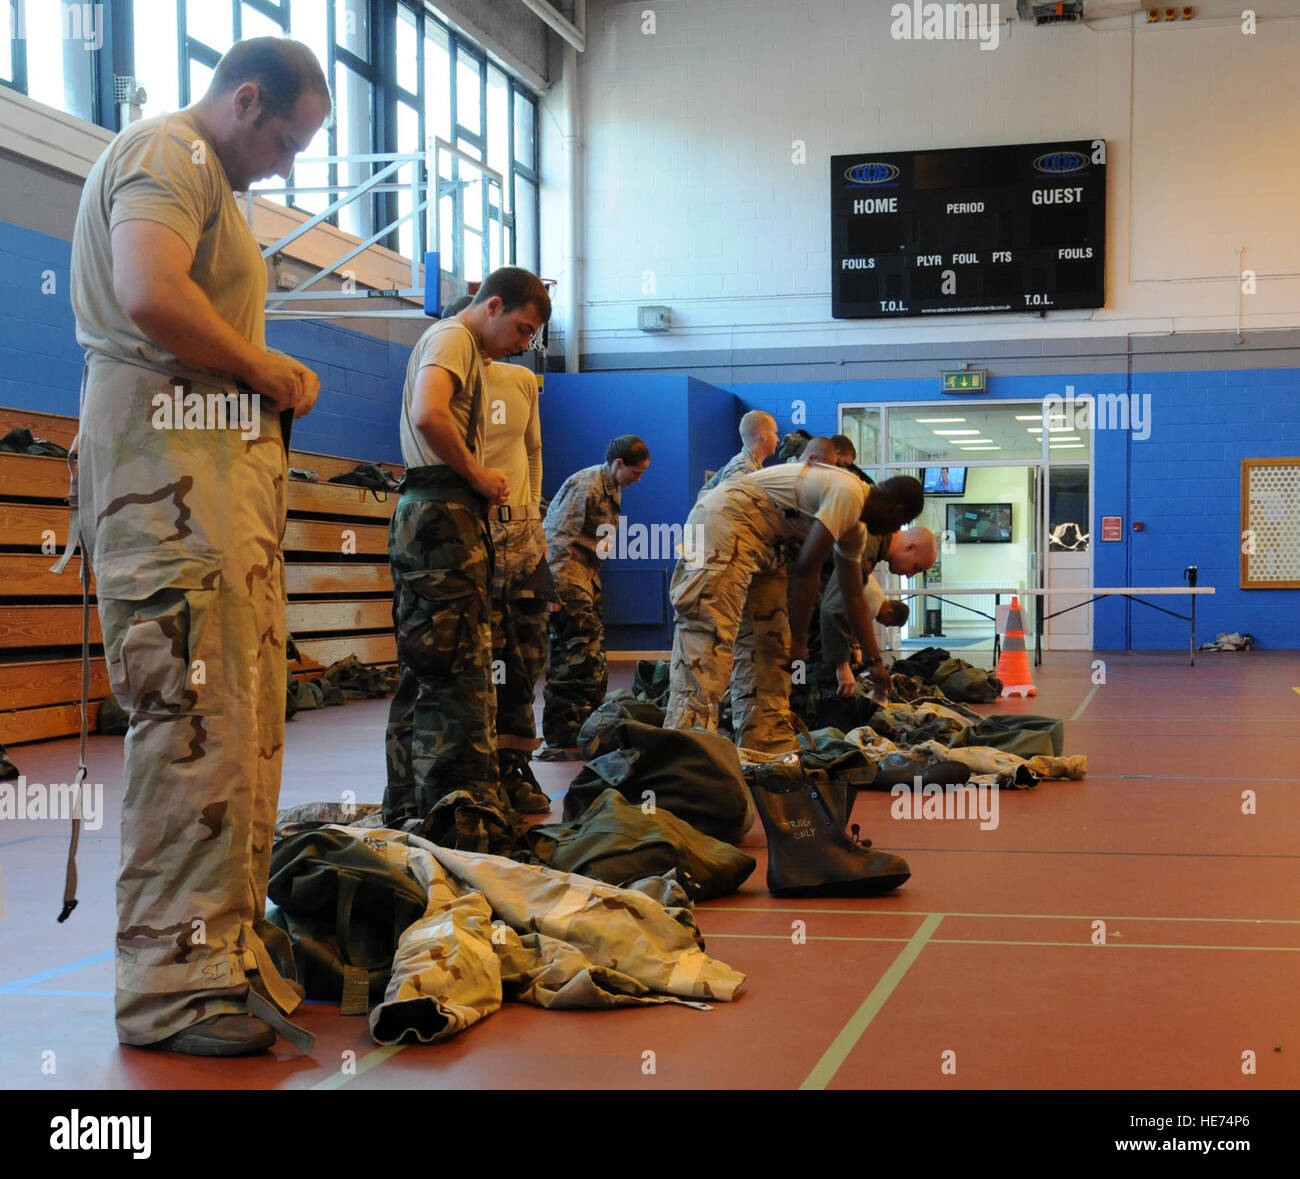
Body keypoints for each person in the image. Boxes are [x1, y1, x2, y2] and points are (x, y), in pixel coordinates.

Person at [69, 37, 331, 1056]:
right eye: (290, 140)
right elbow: (150, 291)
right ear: (247, 98)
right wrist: (264, 366)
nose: (289, 164)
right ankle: (171, 987)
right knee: (190, 727)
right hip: (165, 482)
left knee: (240, 724)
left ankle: (219, 949)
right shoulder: (170, 155)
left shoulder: (207, 171)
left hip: (208, 488)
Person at [384, 268, 551, 828]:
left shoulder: (462, 347)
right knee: (457, 672)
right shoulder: (454, 337)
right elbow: (428, 412)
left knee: (431, 665)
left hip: (440, 513)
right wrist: (478, 474)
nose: (524, 344)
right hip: (442, 512)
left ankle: (414, 808)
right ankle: (457, 817)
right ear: (494, 305)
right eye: (523, 328)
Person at [665, 460, 925, 754]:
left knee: (771, 646)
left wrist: (875, 663)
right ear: (898, 511)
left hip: (767, 540)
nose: (894, 531)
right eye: (899, 525)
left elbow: (853, 597)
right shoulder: (849, 492)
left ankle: (762, 748)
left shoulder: (856, 529)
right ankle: (684, 754)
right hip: (726, 519)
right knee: (708, 640)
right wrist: (800, 639)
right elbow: (807, 568)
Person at [434, 294, 553, 814]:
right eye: (518, 330)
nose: (519, 343)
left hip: (522, 529)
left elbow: (532, 450)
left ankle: (516, 764)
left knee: (525, 655)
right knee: (479, 656)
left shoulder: (522, 381)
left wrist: (533, 515)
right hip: (470, 526)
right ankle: (478, 773)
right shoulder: (447, 372)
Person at [538, 436, 651, 758]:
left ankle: (586, 729)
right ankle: (563, 737)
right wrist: (553, 590)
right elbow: (557, 537)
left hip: (588, 578)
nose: (638, 479)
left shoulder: (612, 487)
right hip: (568, 580)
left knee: (590, 659)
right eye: (636, 472)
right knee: (571, 660)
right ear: (619, 465)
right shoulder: (585, 484)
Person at [699, 410, 779, 494]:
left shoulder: (747, 466)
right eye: (775, 433)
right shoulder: (743, 470)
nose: (778, 439)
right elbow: (730, 506)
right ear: (764, 436)